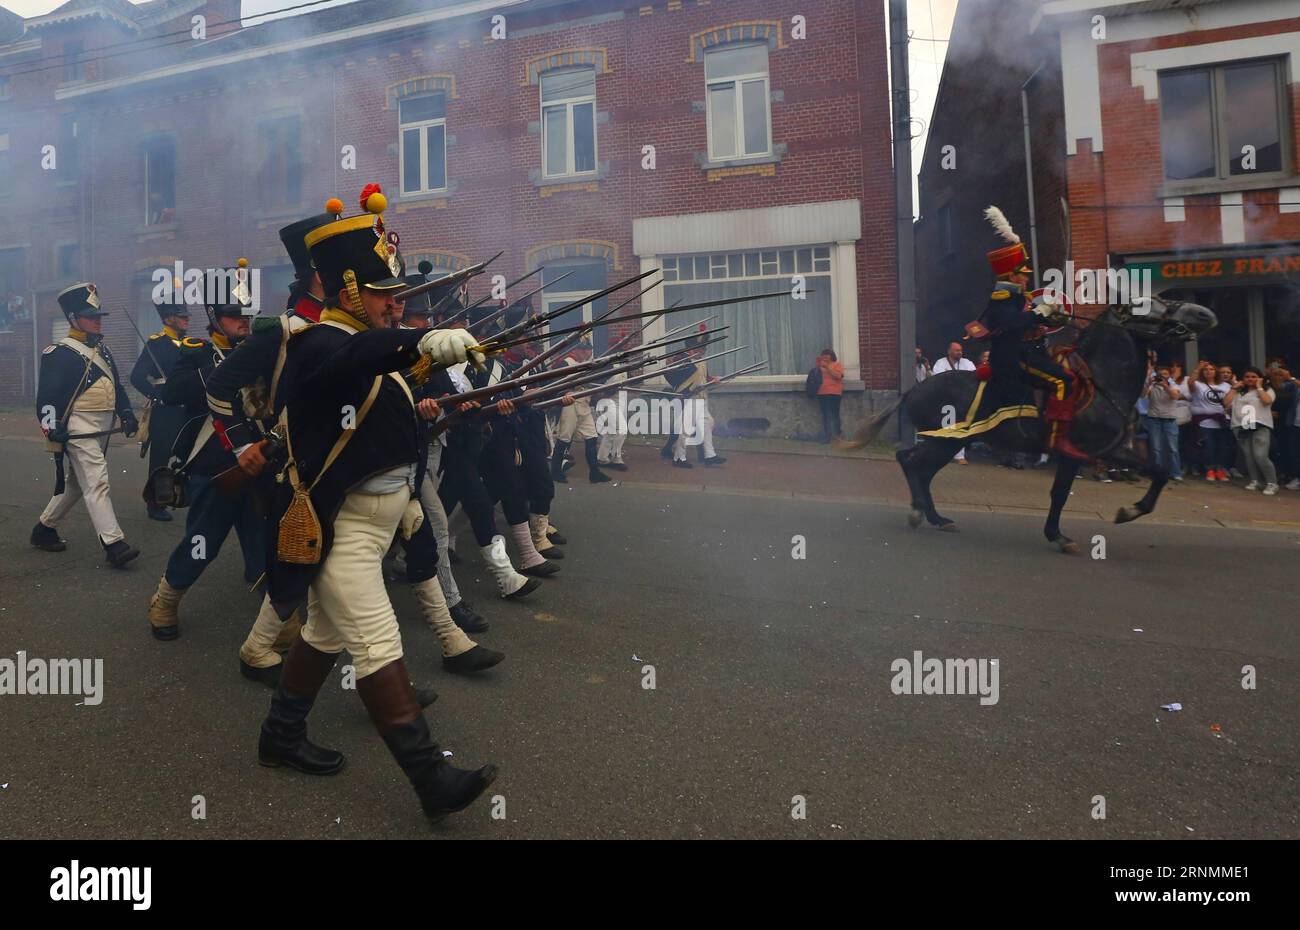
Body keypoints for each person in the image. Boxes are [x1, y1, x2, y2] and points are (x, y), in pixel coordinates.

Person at [256, 188, 497, 822]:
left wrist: (406, 499)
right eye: (387, 293)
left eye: (399, 294)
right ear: (350, 290)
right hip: (339, 529)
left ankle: (279, 737)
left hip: (377, 517)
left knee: (323, 633)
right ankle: (431, 781)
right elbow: (359, 356)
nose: (399, 302)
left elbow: (391, 433)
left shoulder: (374, 344)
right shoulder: (320, 343)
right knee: (377, 641)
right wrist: (421, 342)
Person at [145, 266, 268, 642]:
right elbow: (174, 392)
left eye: (247, 315)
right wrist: (227, 369)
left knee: (265, 545)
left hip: (259, 461)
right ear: (215, 318)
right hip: (213, 463)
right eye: (235, 316)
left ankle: (275, 619)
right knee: (202, 544)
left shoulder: (260, 350)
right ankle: (166, 599)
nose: (243, 322)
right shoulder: (197, 353)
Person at [31, 283, 140, 568]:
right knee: (97, 480)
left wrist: (126, 412)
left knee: (78, 484)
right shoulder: (59, 353)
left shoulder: (102, 348)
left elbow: (115, 384)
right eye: (90, 316)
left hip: (103, 426)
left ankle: (44, 529)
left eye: (98, 315)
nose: (97, 320)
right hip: (78, 425)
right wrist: (51, 426)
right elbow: (47, 397)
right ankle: (114, 544)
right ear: (73, 319)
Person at [977, 207, 1087, 461]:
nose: (1027, 279)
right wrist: (1039, 313)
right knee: (1062, 381)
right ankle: (1056, 439)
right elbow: (1014, 324)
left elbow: (1032, 321)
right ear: (1011, 275)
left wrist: (1053, 315)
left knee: (1068, 374)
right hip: (1013, 358)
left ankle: (1050, 424)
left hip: (1029, 352)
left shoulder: (1020, 297)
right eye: (1023, 275)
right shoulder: (1002, 297)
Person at [130, 284, 191, 522]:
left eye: (186, 315)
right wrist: (157, 395)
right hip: (165, 411)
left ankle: (184, 495)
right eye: (181, 316)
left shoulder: (190, 344)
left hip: (188, 409)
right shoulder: (156, 343)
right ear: (168, 318)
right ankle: (155, 503)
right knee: (160, 457)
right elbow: (136, 377)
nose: (186, 319)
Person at [1224, 366, 1278, 495]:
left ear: (1259, 378)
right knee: (1248, 455)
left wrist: (1259, 386)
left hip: (1260, 425)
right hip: (1240, 425)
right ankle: (1255, 480)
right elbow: (1226, 403)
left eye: (1254, 376)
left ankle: (1272, 483)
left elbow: (1267, 401)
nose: (1250, 379)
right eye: (1247, 377)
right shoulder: (1239, 391)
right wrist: (1234, 388)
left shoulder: (1267, 390)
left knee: (1260, 455)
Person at [929, 342, 975, 462]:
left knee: (962, 428)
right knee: (947, 427)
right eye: (956, 350)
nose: (959, 352)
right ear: (949, 351)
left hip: (963, 401)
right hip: (947, 401)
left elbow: (973, 378)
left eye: (960, 350)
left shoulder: (967, 363)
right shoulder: (941, 363)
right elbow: (938, 380)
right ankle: (945, 454)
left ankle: (960, 456)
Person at [1189, 361, 1231, 481]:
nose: (1209, 371)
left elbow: (1228, 402)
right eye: (1206, 369)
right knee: (1209, 448)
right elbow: (1190, 383)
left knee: (1222, 447)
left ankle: (1220, 470)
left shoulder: (1225, 386)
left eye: (1212, 369)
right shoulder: (1198, 384)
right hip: (1205, 422)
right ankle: (1210, 470)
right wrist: (1198, 368)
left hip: (1221, 421)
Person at [1143, 362, 1184, 481]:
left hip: (1170, 421)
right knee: (1156, 448)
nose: (1162, 376)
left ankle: (1175, 472)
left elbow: (1175, 396)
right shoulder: (1152, 386)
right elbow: (1142, 396)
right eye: (1160, 374)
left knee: (1172, 448)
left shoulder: (1174, 385)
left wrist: (1165, 386)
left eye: (1165, 374)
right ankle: (1157, 472)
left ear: (1169, 375)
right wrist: (1149, 383)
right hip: (1154, 419)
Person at [815, 349, 844, 443]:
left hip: (834, 393)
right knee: (825, 415)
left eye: (827, 355)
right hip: (822, 393)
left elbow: (838, 376)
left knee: (835, 414)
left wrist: (827, 367)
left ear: (832, 356)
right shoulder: (820, 366)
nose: (825, 357)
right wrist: (817, 367)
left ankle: (838, 436)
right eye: (823, 355)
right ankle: (827, 436)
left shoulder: (837, 364)